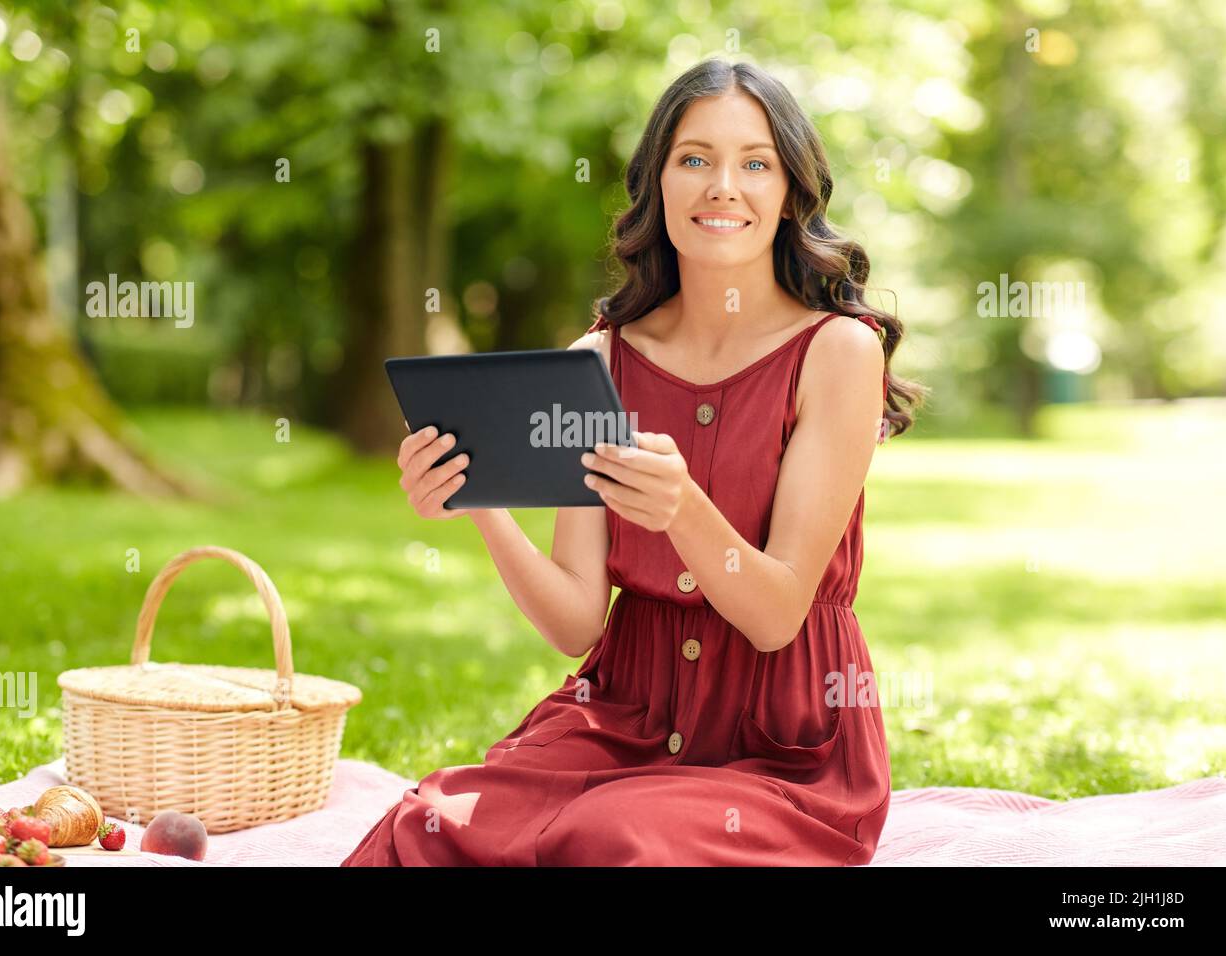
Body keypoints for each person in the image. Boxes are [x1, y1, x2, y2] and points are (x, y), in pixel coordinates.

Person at [341, 56, 926, 866]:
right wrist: (482, 497)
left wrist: (683, 509)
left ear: (791, 191)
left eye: (755, 163)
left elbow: (777, 613)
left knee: (613, 836)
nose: (723, 185)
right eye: (695, 159)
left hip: (784, 749)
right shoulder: (603, 361)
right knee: (429, 819)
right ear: (658, 184)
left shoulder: (836, 352)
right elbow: (577, 619)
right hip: (623, 719)